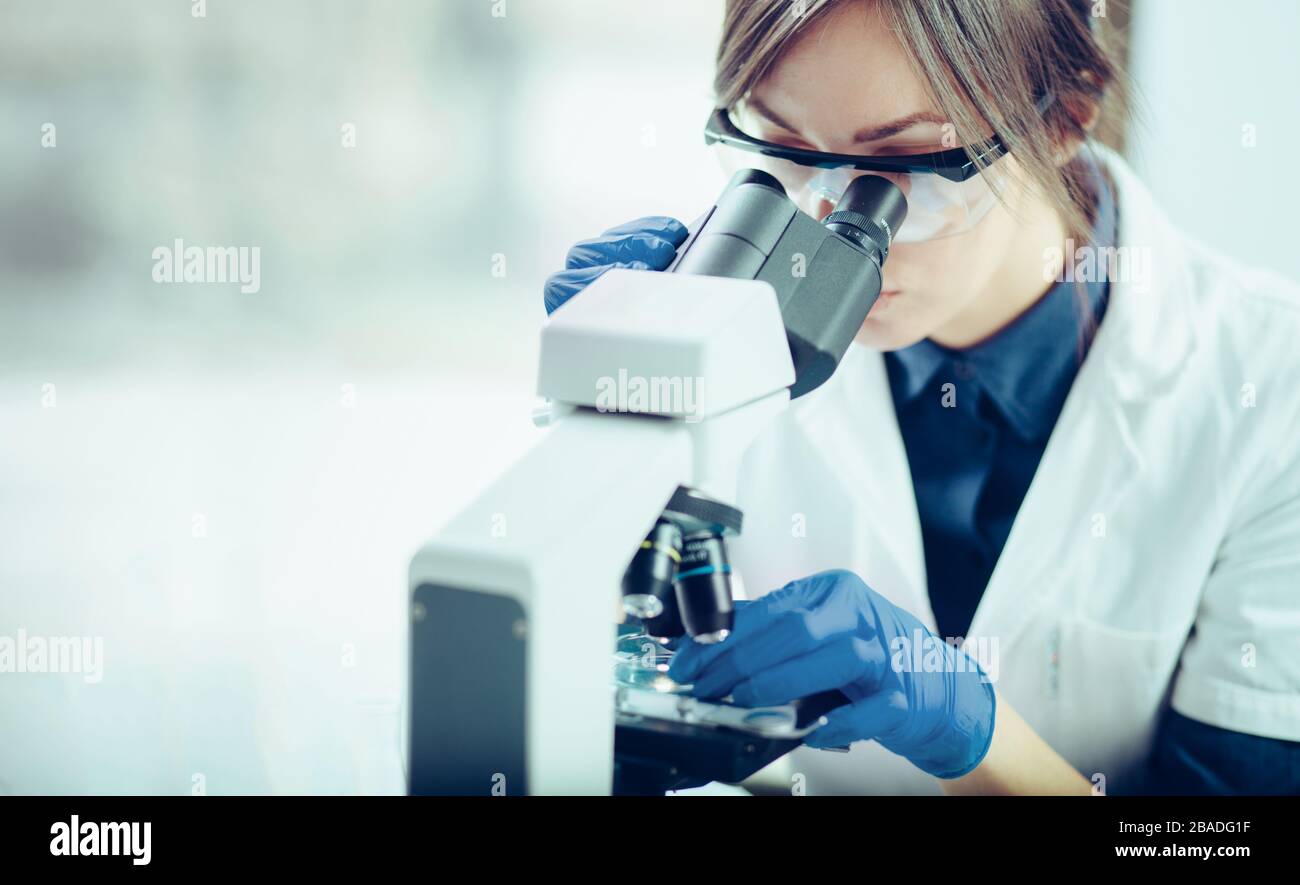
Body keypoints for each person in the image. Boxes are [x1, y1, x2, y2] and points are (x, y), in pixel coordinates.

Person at [543, 0, 1300, 795]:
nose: (831, 222)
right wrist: (602, 415)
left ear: (1065, 117)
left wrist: (980, 738)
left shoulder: (1270, 388)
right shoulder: (716, 319)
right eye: (785, 147)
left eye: (904, 163)